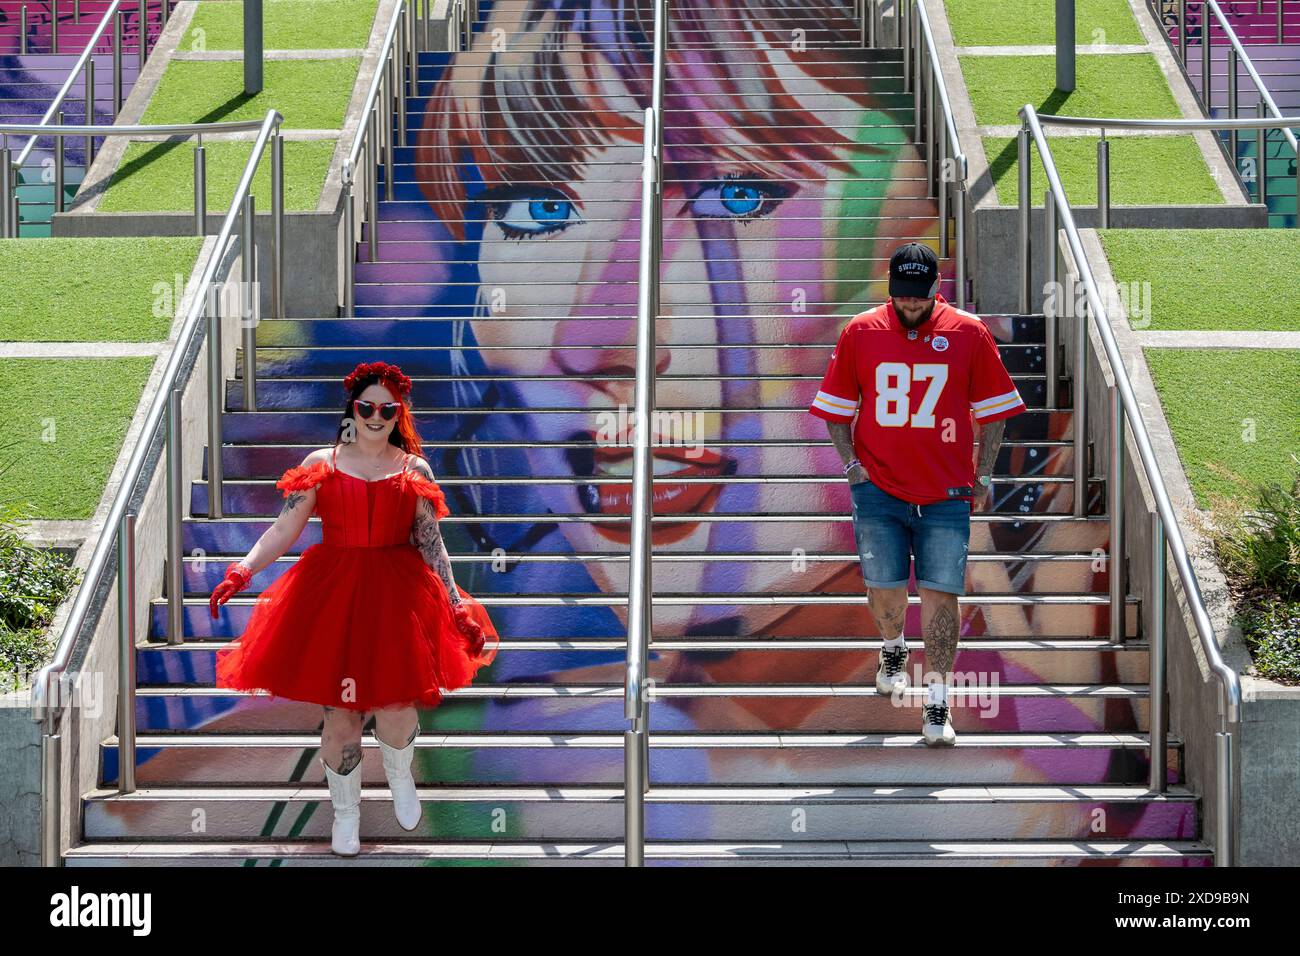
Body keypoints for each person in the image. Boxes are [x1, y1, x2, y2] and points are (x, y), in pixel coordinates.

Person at [207, 360, 500, 856]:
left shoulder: (414, 471)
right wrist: (243, 570)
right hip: (333, 595)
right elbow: (284, 529)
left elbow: (432, 543)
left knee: (397, 704)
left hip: (399, 596)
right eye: (367, 406)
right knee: (340, 715)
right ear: (353, 409)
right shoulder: (321, 464)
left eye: (387, 408)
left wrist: (456, 606)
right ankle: (346, 815)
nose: (376, 416)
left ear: (398, 412)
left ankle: (399, 773)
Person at [808, 242, 1027, 746]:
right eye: (900, 295)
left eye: (917, 295)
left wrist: (985, 474)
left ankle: (937, 702)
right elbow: (836, 409)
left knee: (941, 596)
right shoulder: (861, 331)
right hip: (879, 488)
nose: (909, 304)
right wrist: (851, 466)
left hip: (946, 491)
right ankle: (892, 645)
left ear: (935, 289)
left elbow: (995, 412)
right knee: (884, 590)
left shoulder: (968, 333)